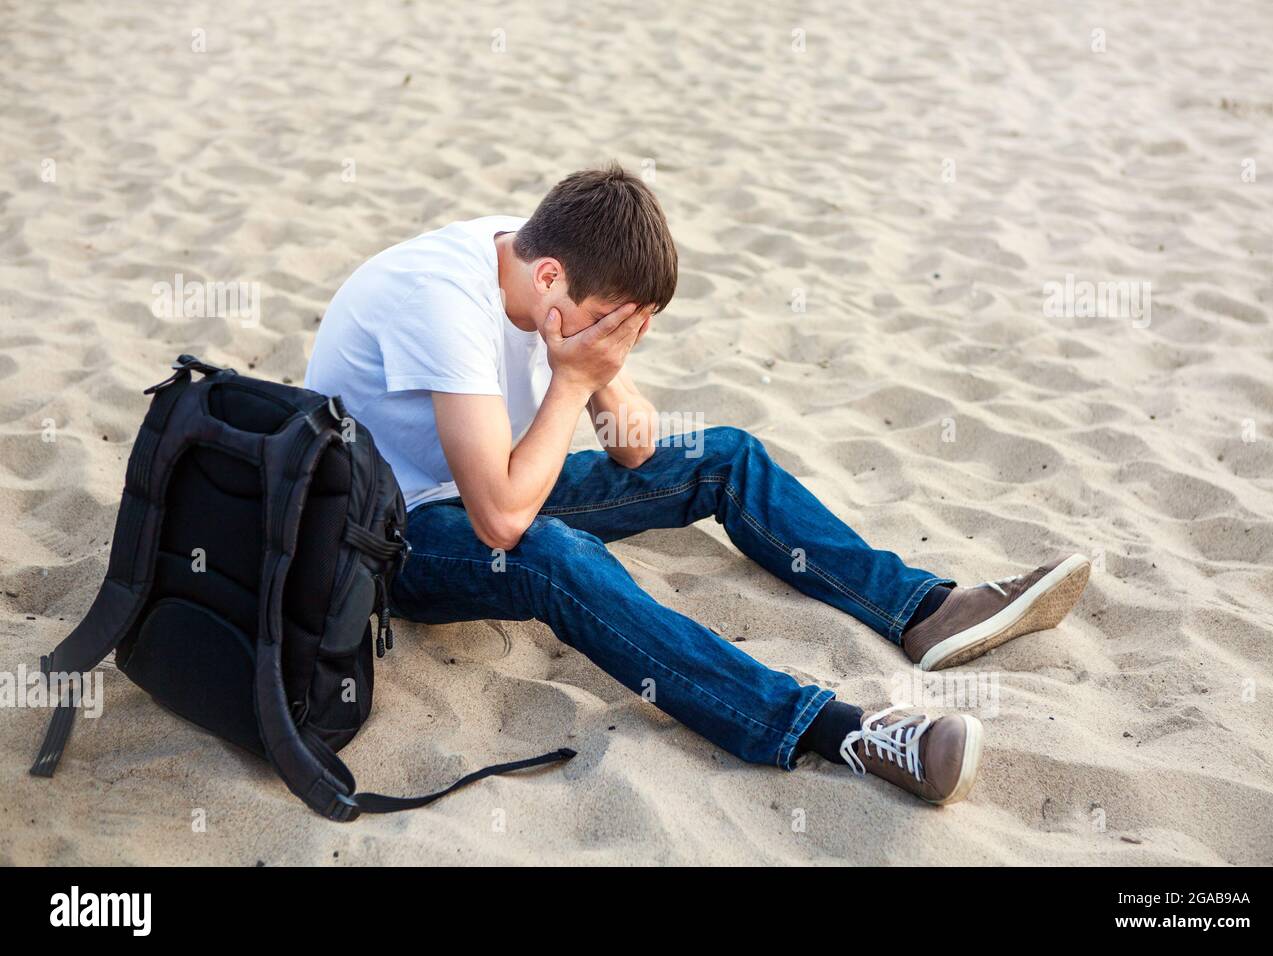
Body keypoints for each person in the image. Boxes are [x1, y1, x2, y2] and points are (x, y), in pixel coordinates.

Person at [305, 164, 1090, 805]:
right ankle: (835, 731)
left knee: (724, 455)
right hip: (388, 540)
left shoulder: (544, 261)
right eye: (611, 320)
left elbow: (637, 452)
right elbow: (503, 521)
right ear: (551, 276)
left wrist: (601, 369)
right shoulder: (442, 304)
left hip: (484, 484)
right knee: (554, 555)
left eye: (631, 328)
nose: (615, 338)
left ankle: (920, 609)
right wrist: (573, 378)